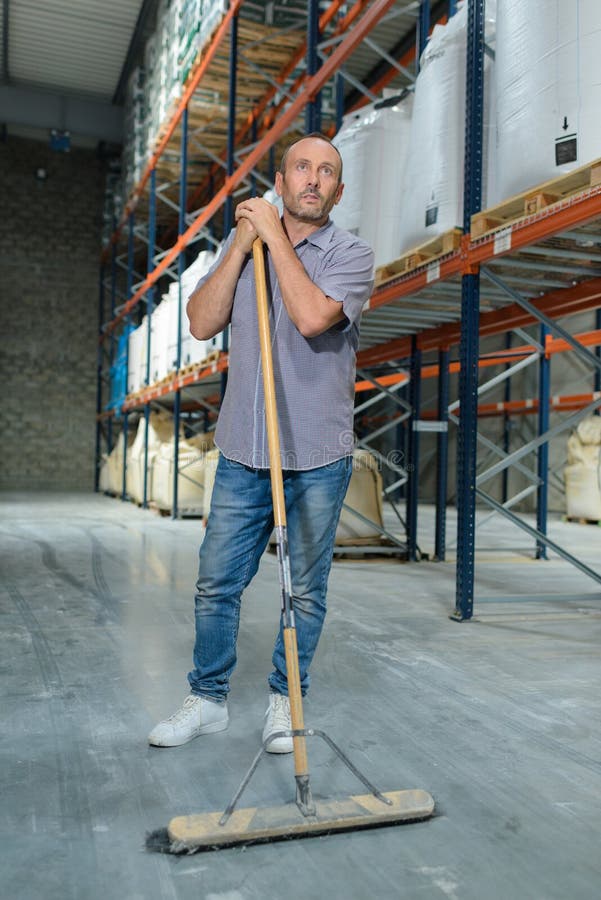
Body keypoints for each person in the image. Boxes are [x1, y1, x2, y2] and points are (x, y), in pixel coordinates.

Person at [148, 133, 374, 752]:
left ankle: (285, 700)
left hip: (317, 455)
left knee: (302, 587)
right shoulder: (243, 248)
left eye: (326, 172)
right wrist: (243, 246)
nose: (313, 178)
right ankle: (207, 699)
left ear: (338, 190)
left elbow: (309, 317)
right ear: (282, 177)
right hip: (244, 449)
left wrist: (273, 237)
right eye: (302, 166)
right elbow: (200, 322)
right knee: (215, 582)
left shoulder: (351, 255)